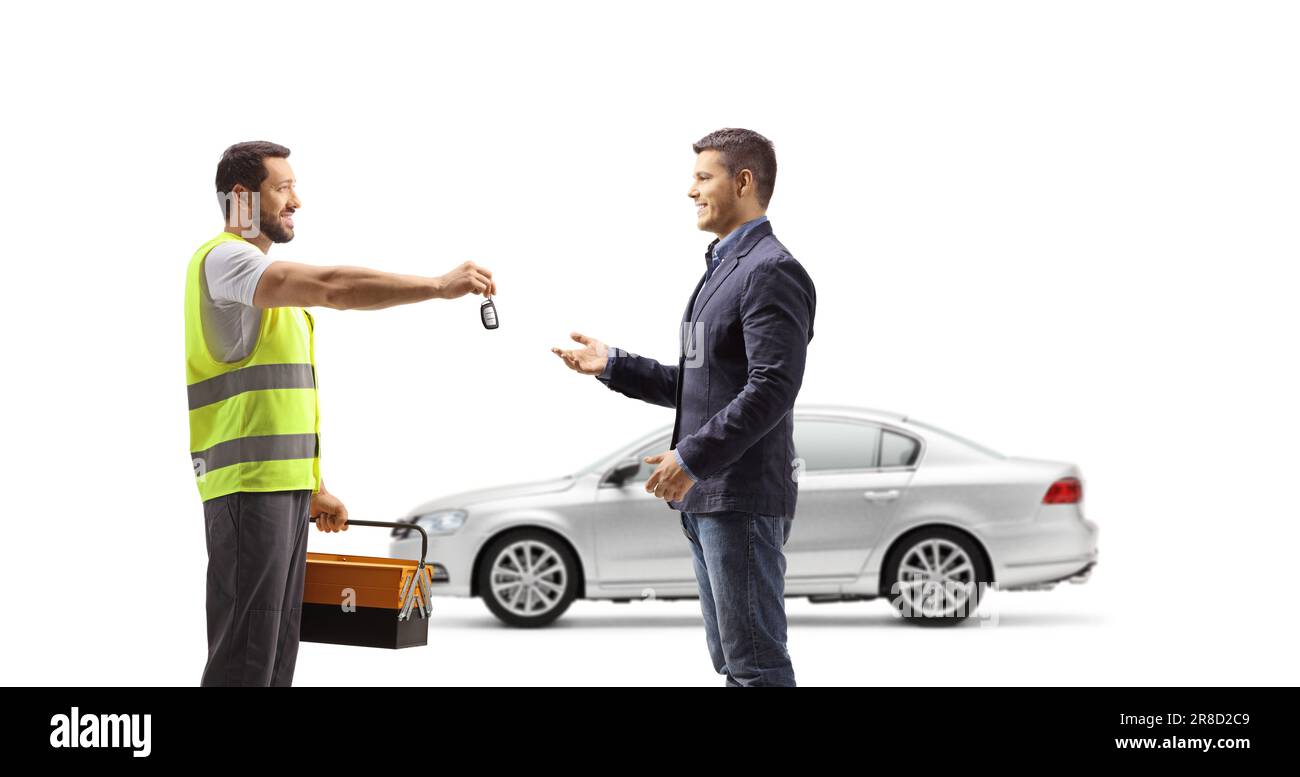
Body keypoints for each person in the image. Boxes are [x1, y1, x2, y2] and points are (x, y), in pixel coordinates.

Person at [186, 141, 497, 686]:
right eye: (282, 187)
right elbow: (335, 287)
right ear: (241, 198)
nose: (296, 200)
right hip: (247, 489)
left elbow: (278, 402)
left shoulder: (256, 284)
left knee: (276, 645)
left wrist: (314, 485)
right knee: (247, 652)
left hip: (277, 488)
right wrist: (436, 287)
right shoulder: (226, 259)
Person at [552, 128, 816, 686]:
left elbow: (773, 386)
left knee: (756, 666)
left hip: (737, 497)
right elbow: (701, 384)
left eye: (703, 176)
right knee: (732, 662)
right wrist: (615, 364)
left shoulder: (771, 271)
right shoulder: (722, 270)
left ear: (743, 182)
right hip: (708, 500)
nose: (689, 190)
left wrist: (692, 457)